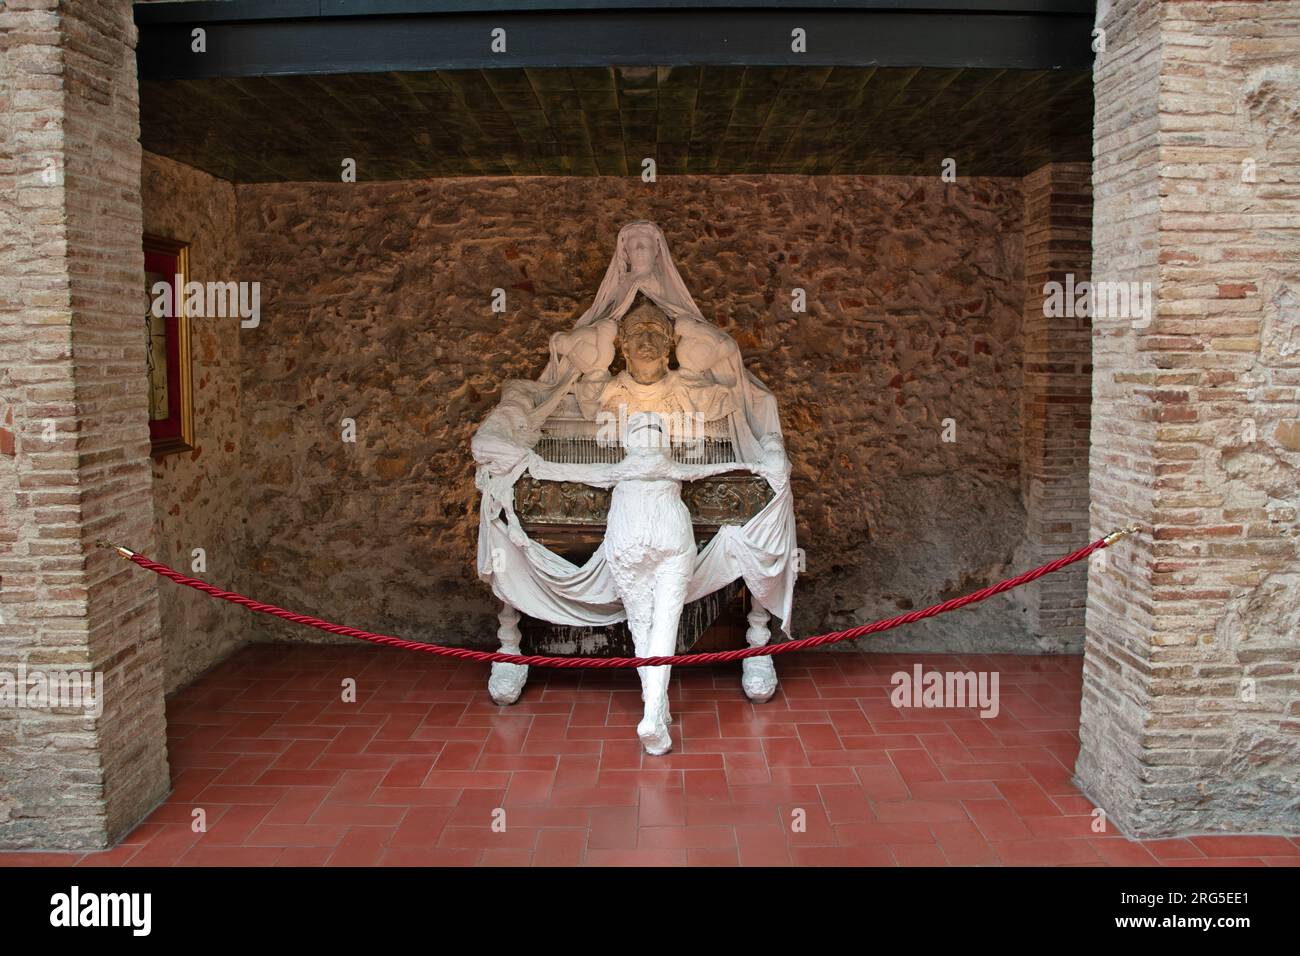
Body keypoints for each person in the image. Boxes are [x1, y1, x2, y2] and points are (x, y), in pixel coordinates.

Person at [524, 412, 761, 755]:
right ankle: (654, 711)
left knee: (642, 624)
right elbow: (712, 469)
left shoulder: (621, 469)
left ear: (629, 442)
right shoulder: (669, 467)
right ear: (662, 441)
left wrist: (530, 462)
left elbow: (570, 471)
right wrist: (759, 466)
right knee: (665, 625)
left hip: (629, 540)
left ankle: (654, 707)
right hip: (671, 539)